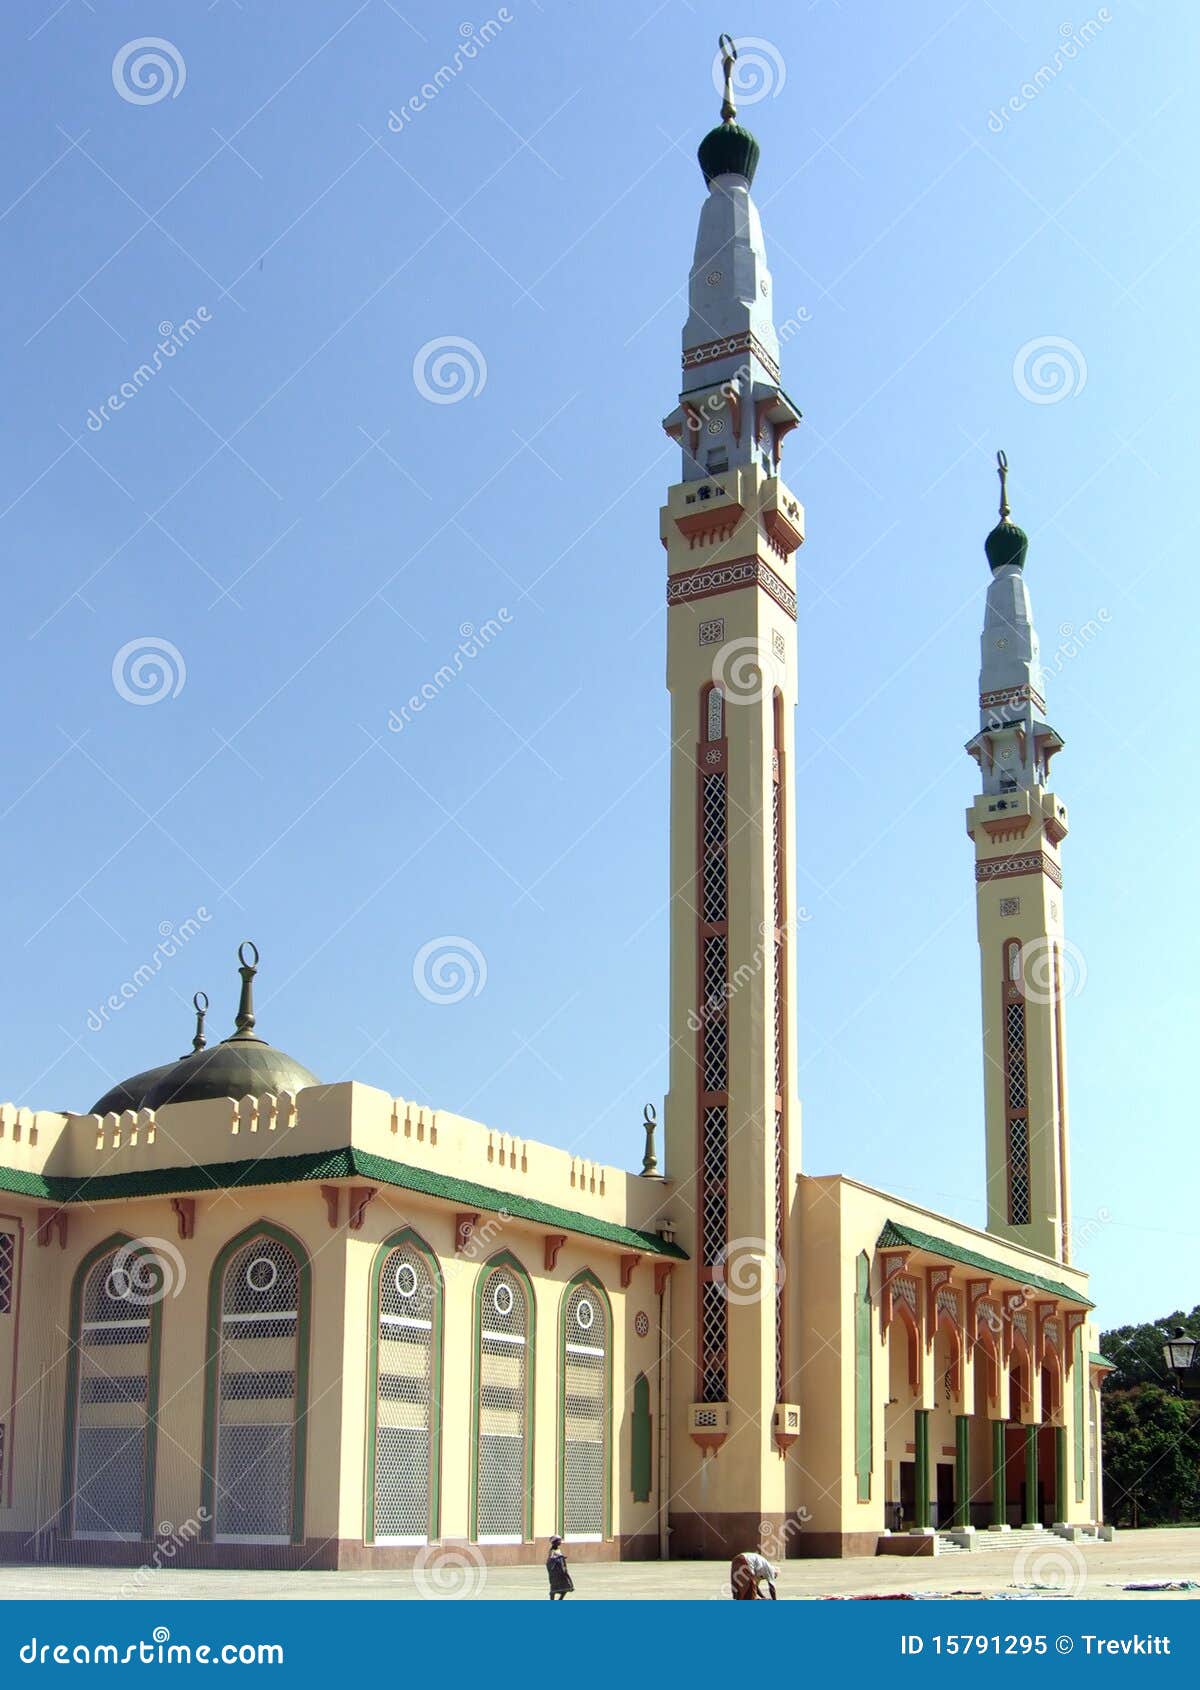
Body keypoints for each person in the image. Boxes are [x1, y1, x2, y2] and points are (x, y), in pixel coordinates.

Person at [546, 1535, 574, 1600]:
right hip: (555, 1571)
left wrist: (562, 1557)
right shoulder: (552, 1550)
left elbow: (559, 1557)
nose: (560, 1542)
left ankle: (560, 1599)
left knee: (566, 1585)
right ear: (554, 1542)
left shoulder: (558, 1549)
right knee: (554, 1587)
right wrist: (558, 1558)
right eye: (558, 1541)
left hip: (561, 1570)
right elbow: (551, 1559)